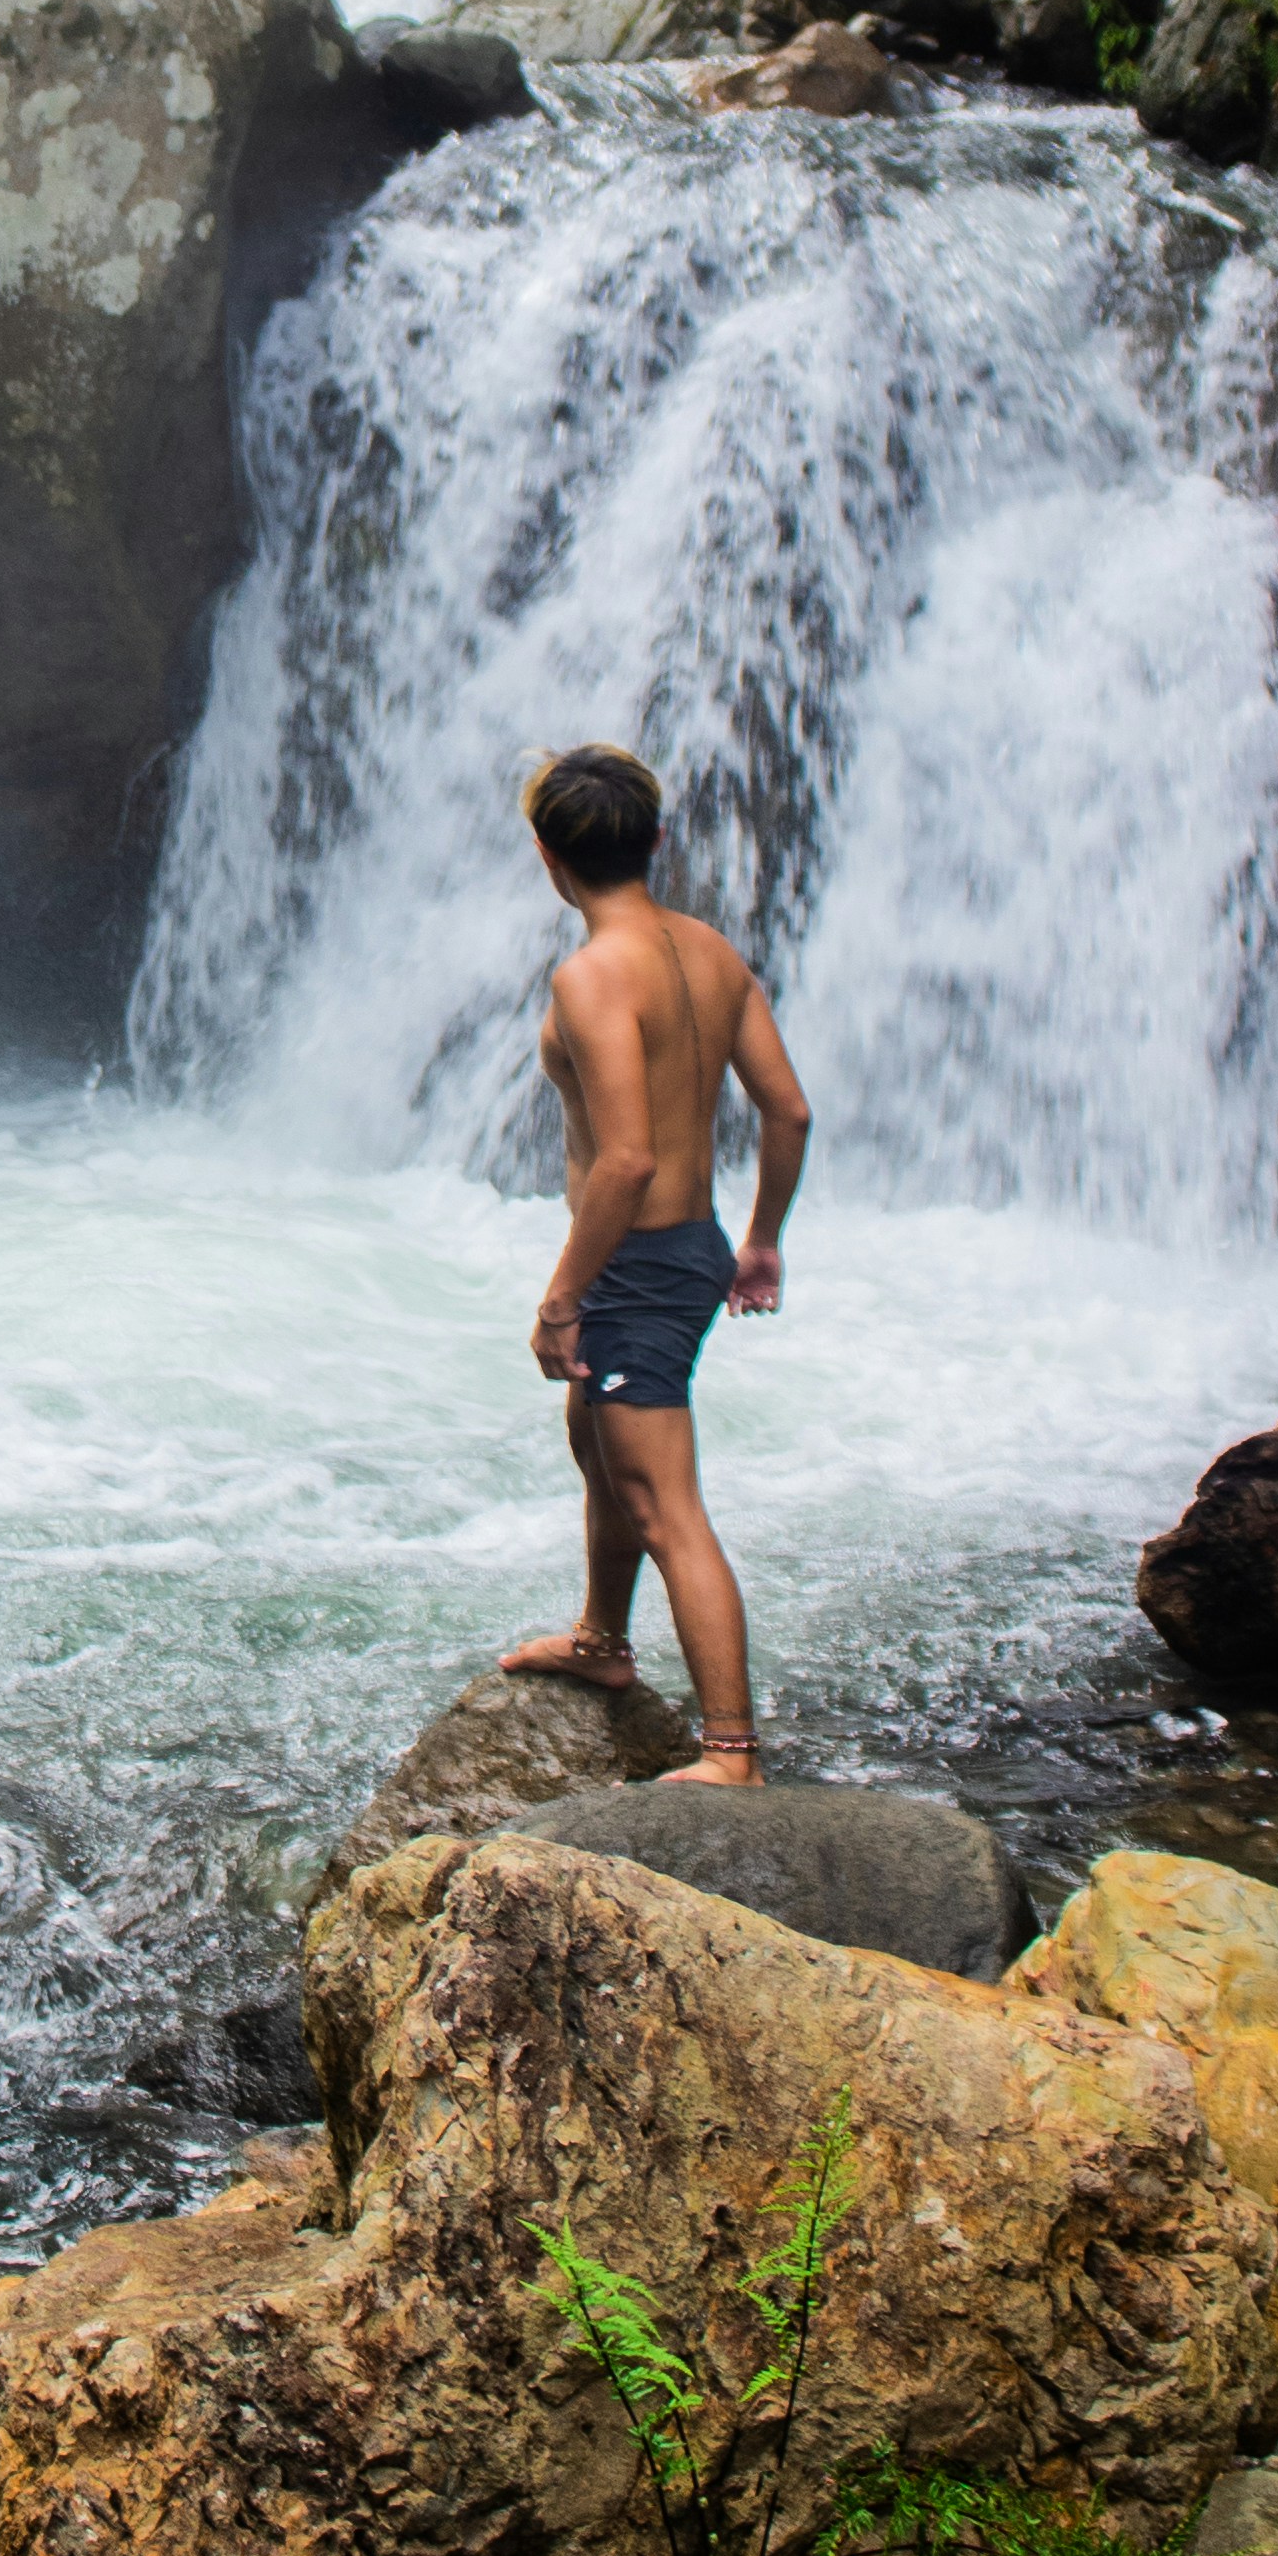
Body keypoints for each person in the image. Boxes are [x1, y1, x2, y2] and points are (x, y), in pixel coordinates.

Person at [496, 742, 808, 1788]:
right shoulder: (709, 951)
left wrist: (563, 1298)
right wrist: (760, 1238)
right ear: (656, 841)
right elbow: (787, 1107)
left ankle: (732, 1753)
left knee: (666, 1502)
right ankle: (601, 1643)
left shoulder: (591, 976)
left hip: (634, 1260)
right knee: (599, 1442)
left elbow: (625, 1159)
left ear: (549, 857)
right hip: (694, 1245)